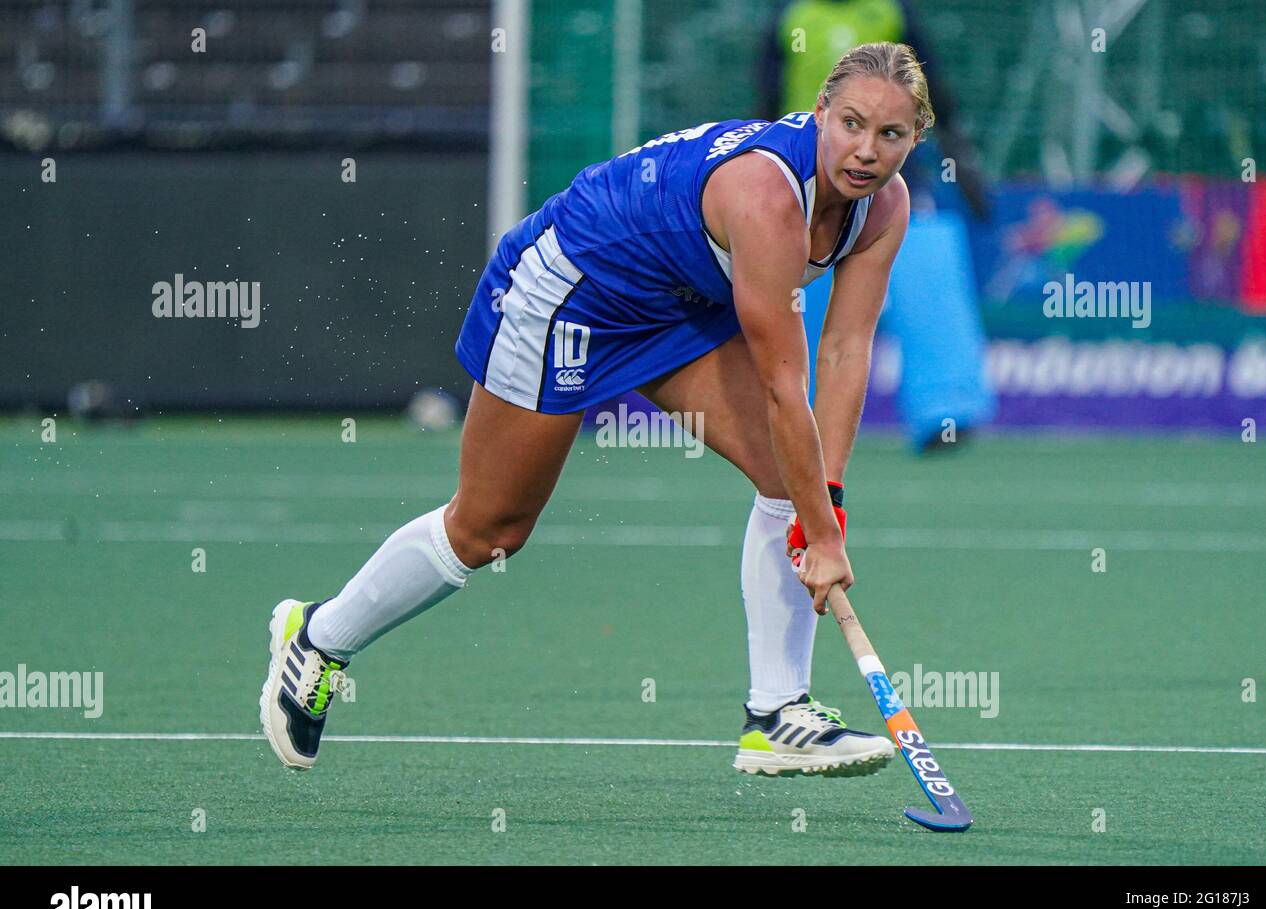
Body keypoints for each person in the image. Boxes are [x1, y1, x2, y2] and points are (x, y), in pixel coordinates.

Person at [261, 42, 929, 779]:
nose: (866, 151)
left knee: (788, 482)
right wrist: (824, 535)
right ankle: (320, 638)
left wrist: (823, 504)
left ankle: (778, 715)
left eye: (890, 135)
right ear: (819, 115)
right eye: (852, 125)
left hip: (678, 305)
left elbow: (845, 352)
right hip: (573, 287)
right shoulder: (769, 198)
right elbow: (784, 384)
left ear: (914, 141)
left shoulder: (882, 209)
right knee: (491, 530)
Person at [760, 0, 996, 451]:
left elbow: (935, 96)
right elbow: (766, 101)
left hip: (891, 175)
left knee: (926, 268)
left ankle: (946, 410)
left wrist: (963, 165)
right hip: (805, 177)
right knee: (799, 296)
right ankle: (791, 412)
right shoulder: (789, 16)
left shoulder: (893, 11)